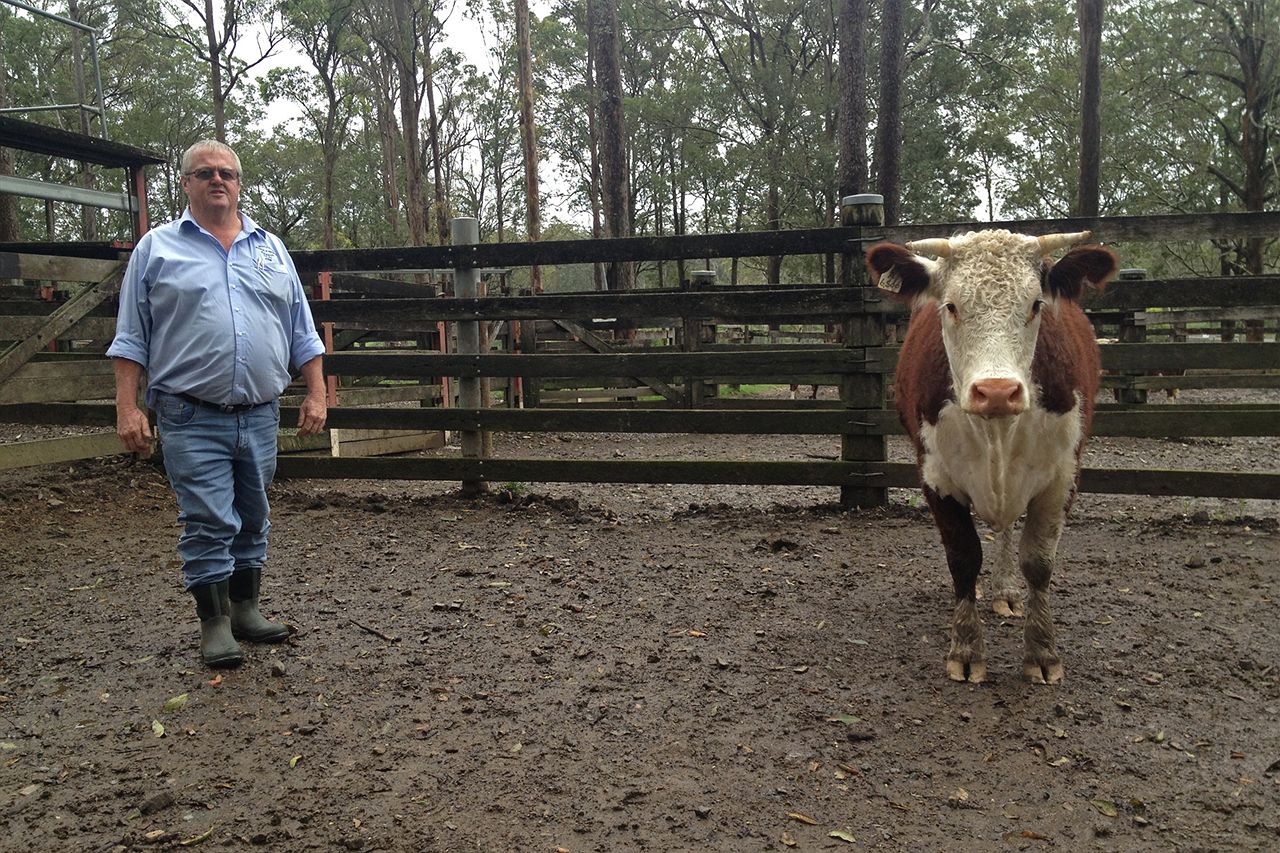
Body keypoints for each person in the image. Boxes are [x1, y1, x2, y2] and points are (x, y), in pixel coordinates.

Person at [108, 139, 328, 668]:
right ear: (185, 184)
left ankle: (245, 608)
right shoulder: (156, 249)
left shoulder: (270, 249)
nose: (217, 180)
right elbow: (131, 336)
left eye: (226, 172)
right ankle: (214, 624)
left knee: (253, 515)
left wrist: (317, 391)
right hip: (189, 412)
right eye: (204, 172)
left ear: (238, 183)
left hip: (258, 412)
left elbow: (301, 329)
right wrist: (127, 406)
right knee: (209, 519)